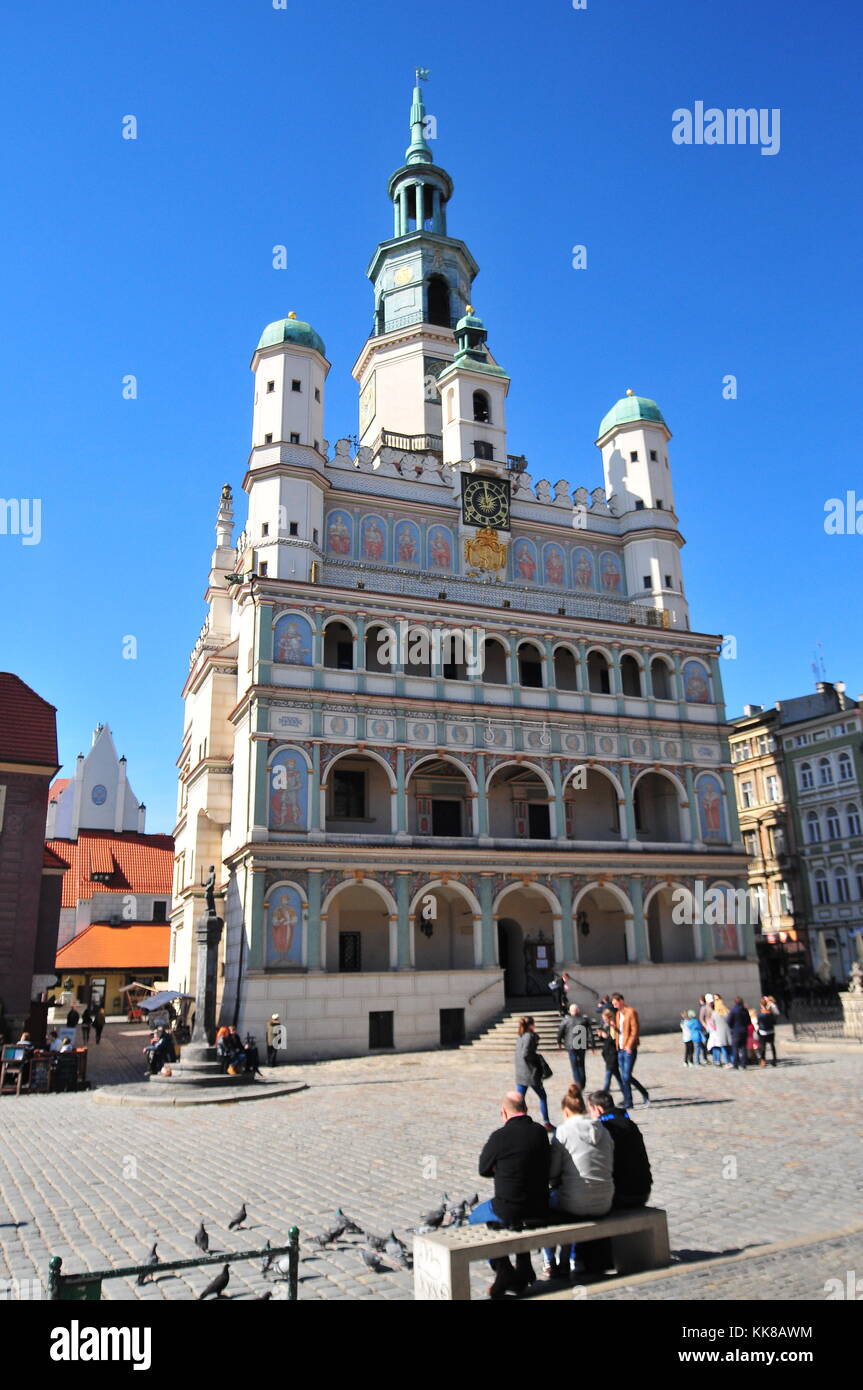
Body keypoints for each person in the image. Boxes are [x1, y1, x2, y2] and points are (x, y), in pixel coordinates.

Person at [470, 1091, 552, 1298]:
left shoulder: (499, 1136)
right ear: (526, 1109)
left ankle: (503, 1268)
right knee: (519, 1215)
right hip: (540, 1205)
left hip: (510, 1208)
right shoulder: (540, 1132)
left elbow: (483, 1169)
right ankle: (523, 1265)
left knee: (475, 1217)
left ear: (503, 1113)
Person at [541, 1082, 614, 1279]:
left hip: (575, 1203)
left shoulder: (563, 1132)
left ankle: (550, 1260)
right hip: (605, 1201)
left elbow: (552, 1172)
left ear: (566, 1112)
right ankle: (571, 1258)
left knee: (544, 1205)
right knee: (570, 1198)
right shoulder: (604, 1131)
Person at [587, 1090, 652, 1209]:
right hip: (644, 1190)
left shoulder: (603, 1129)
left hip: (621, 1194)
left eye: (590, 1111)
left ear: (598, 1109)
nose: (590, 1116)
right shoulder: (631, 1124)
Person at [610, 993, 650, 1108]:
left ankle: (643, 1093)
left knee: (626, 1076)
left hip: (629, 1049)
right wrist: (614, 1027)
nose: (615, 1006)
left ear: (621, 1001)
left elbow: (634, 1030)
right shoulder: (617, 1014)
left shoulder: (631, 1012)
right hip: (620, 1048)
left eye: (616, 1003)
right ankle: (628, 1101)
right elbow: (621, 1031)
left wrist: (629, 1045)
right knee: (624, 1076)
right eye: (613, 1004)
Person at [514, 1017, 553, 1130]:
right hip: (530, 1073)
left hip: (520, 1072)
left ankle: (518, 1122)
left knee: (519, 1100)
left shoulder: (520, 1036)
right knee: (542, 1096)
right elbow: (526, 1054)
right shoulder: (529, 1036)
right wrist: (537, 1058)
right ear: (531, 1025)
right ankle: (546, 1122)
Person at [557, 1004, 589, 1087]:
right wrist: (591, 1045)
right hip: (581, 1044)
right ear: (578, 1010)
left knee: (574, 1065)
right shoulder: (583, 1019)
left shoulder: (566, 1020)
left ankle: (578, 1084)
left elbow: (560, 1031)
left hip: (571, 1045)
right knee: (581, 1064)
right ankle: (582, 1083)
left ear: (569, 1011)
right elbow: (589, 1033)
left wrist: (559, 1042)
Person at [727, 997, 750, 1069]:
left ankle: (736, 1064)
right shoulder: (745, 1010)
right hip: (744, 1030)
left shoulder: (733, 1010)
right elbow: (749, 1021)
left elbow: (729, 1021)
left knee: (735, 1048)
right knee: (743, 1048)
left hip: (735, 1031)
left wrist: (732, 1027)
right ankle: (743, 1064)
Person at [709, 996, 732, 1067]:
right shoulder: (727, 1012)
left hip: (720, 1033)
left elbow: (712, 1024)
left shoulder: (714, 1014)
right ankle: (733, 1061)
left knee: (724, 1048)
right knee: (730, 1048)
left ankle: (727, 1062)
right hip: (729, 1032)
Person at [756, 997, 778, 1067]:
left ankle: (763, 1060)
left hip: (763, 1032)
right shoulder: (770, 1013)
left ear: (761, 1005)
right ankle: (774, 1060)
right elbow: (774, 1022)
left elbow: (758, 1023)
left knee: (763, 1047)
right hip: (771, 1031)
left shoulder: (760, 1014)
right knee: (772, 1045)